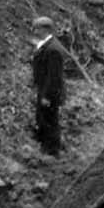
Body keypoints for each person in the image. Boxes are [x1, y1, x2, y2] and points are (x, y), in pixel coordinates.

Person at [31, 15, 66, 154]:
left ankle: (51, 149)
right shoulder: (47, 45)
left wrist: (47, 96)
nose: (34, 32)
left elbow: (54, 77)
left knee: (50, 120)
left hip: (50, 91)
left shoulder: (53, 50)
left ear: (45, 30)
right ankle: (43, 141)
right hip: (44, 88)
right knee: (42, 116)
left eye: (37, 29)